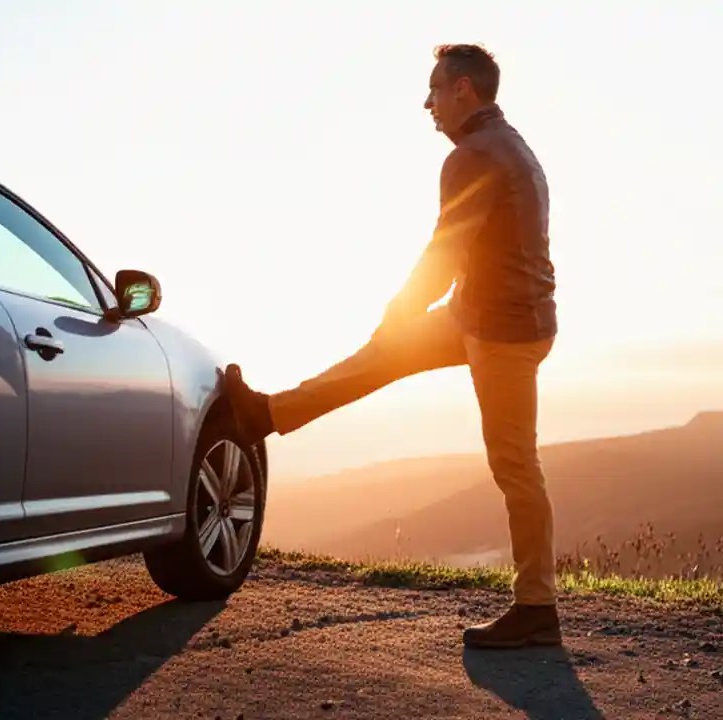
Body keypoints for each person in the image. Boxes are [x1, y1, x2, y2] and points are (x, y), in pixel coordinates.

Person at [224, 43, 560, 649]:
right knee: (381, 357)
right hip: (482, 315)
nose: (428, 103)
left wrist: (398, 313)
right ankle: (266, 415)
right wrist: (401, 326)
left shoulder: (474, 155)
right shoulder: (511, 145)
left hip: (504, 332)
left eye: (435, 89)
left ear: (463, 89)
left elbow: (444, 251)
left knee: (514, 464)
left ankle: (537, 608)